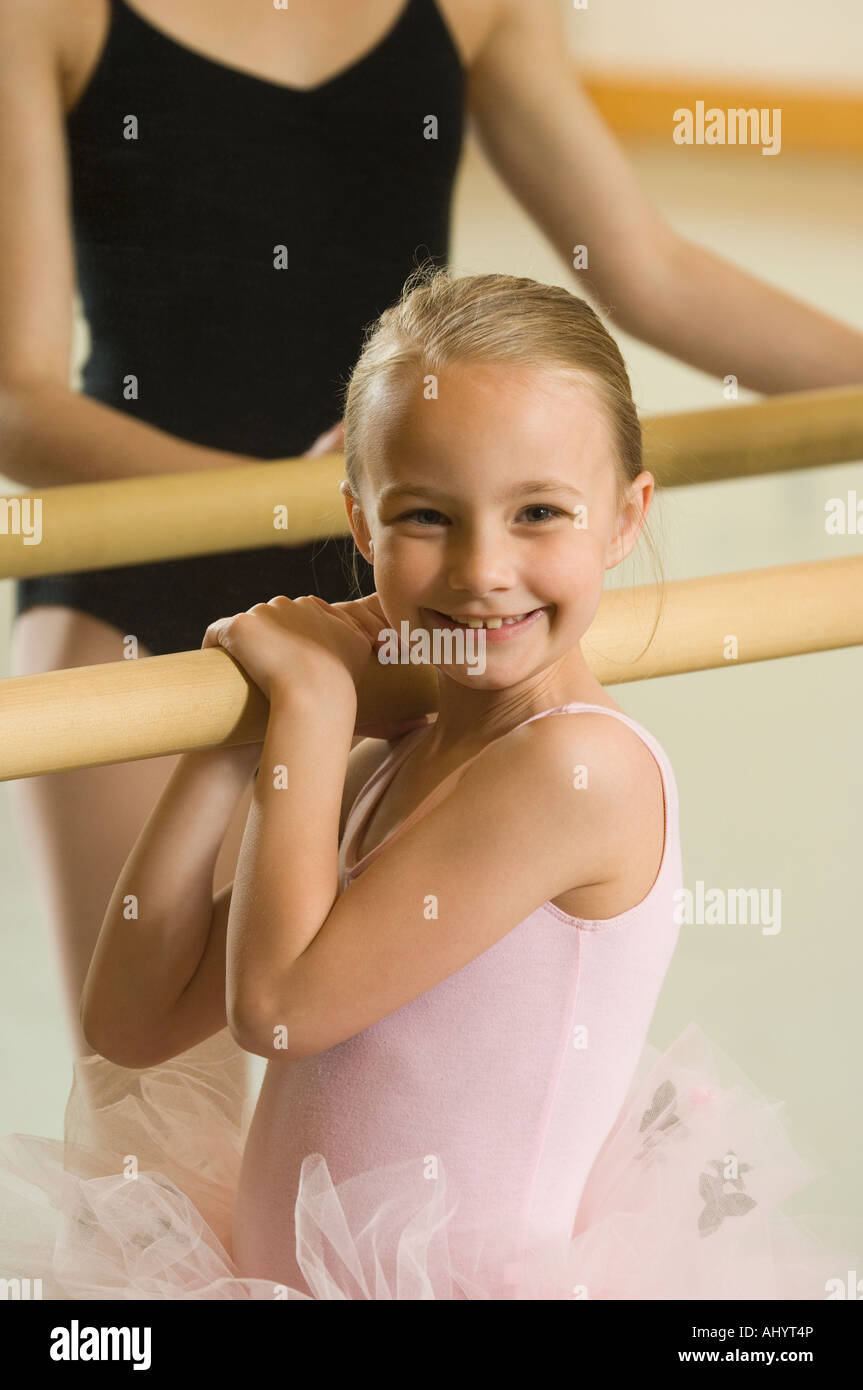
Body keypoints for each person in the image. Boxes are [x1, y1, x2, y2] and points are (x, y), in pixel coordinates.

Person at [3, 0, 863, 1091]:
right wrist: (295, 502)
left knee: (368, 1024)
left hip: (410, 578)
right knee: (157, 1111)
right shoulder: (42, 16)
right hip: (164, 562)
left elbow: (644, 265)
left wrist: (379, 519)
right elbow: (14, 397)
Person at [0, 269, 854, 1299]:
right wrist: (239, 738)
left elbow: (276, 1011)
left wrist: (312, 706)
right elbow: (131, 1024)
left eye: (537, 511)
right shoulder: (391, 756)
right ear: (359, 523)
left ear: (624, 518)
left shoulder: (575, 770)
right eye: (425, 517)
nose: (481, 568)